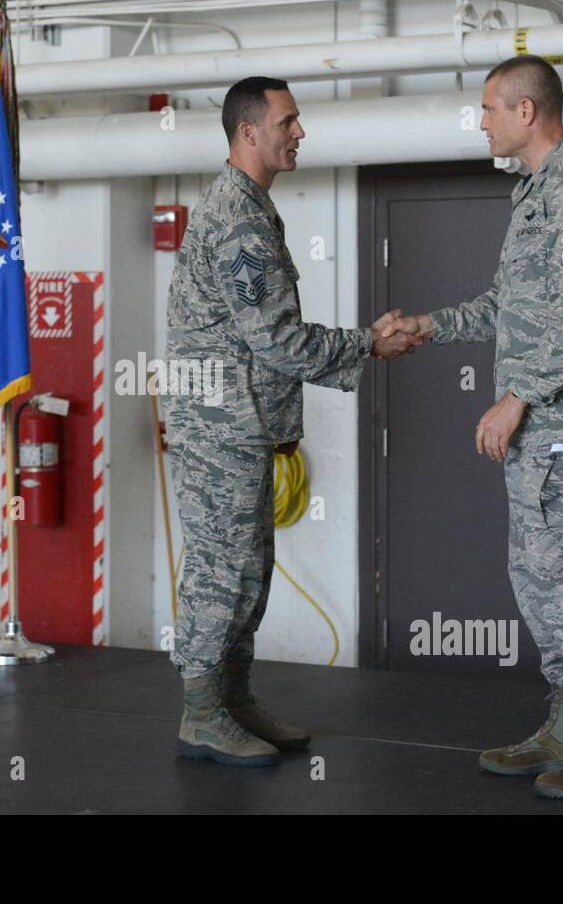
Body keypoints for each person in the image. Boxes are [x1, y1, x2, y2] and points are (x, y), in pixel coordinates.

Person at [386, 55, 563, 800]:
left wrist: (516, 399)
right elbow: (504, 308)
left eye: (488, 109)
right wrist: (428, 325)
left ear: (526, 112)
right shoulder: (537, 194)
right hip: (541, 429)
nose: (481, 122)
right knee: (536, 579)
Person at [165, 76, 418, 767]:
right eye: (288, 120)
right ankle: (201, 712)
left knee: (247, 572)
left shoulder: (247, 207)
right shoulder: (239, 217)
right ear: (249, 133)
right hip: (222, 430)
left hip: (239, 425)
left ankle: (232, 698)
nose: (299, 131)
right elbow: (277, 340)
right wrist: (368, 342)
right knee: (223, 573)